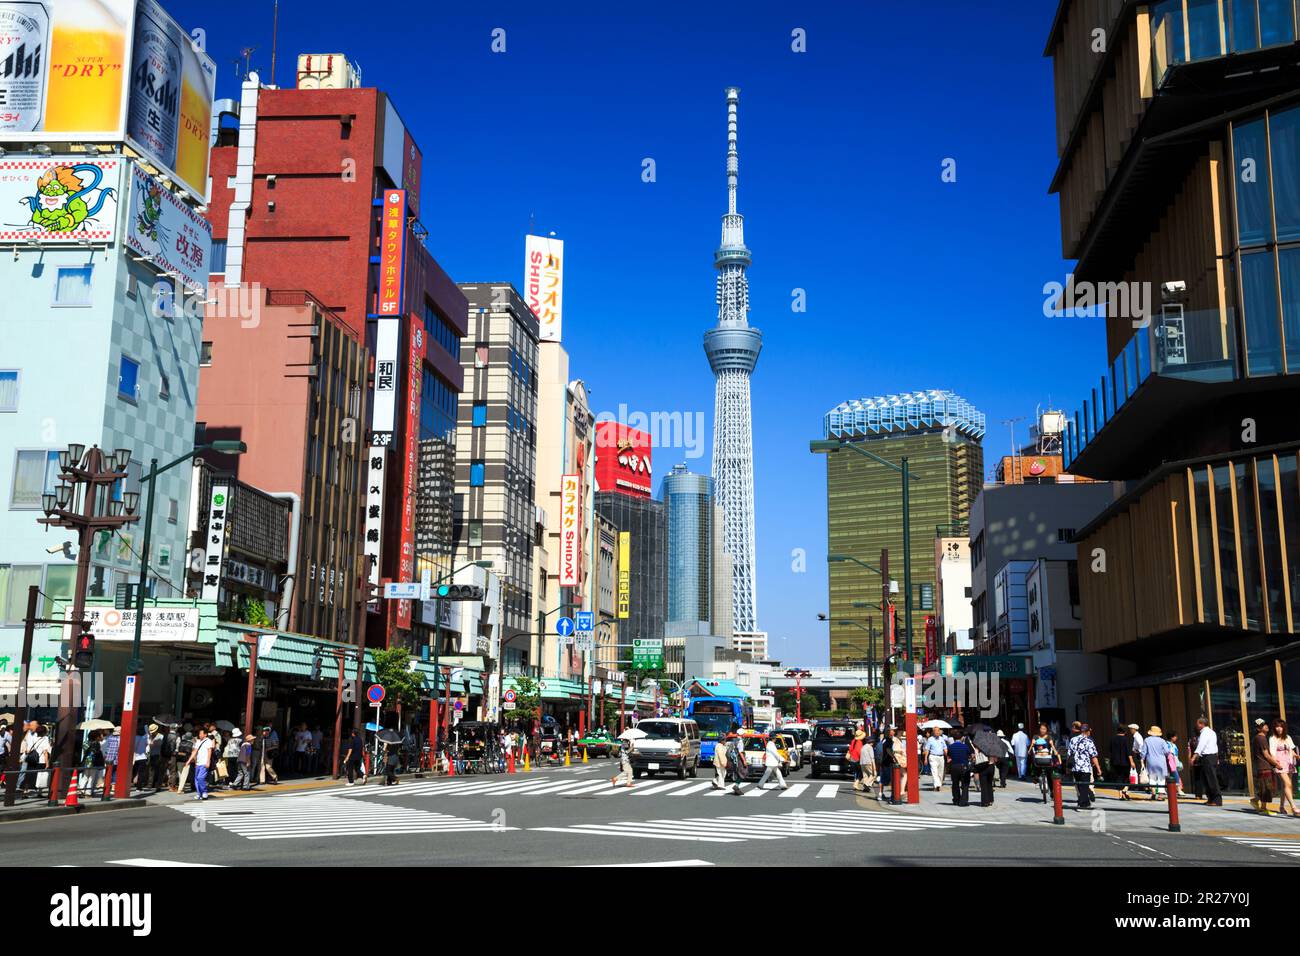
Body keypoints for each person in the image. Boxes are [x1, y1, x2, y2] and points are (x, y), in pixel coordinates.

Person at [1071, 724, 1103, 810]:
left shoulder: (1073, 740)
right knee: (1084, 786)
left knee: (1080, 786)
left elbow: (1069, 754)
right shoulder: (1089, 741)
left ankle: (1086, 803)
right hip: (1085, 768)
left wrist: (1067, 767)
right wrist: (1098, 768)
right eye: (1089, 731)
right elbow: (1094, 756)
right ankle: (1082, 805)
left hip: (1075, 767)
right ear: (1087, 731)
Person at [1270, 719, 1297, 817]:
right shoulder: (1272, 738)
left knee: (1285, 787)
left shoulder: (1288, 737)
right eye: (1277, 726)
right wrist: (1276, 764)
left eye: (1281, 726)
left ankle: (1281, 807)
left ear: (1284, 727)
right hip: (1280, 764)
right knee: (1287, 784)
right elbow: (1272, 753)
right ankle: (1293, 807)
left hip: (1289, 763)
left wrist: (1296, 756)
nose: (1279, 728)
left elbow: (1292, 750)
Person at [1193, 717, 1223, 806]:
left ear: (1202, 724)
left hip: (1208, 757)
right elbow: (1215, 745)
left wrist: (1194, 756)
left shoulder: (1205, 733)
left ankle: (1217, 800)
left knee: (1211, 779)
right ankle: (1211, 798)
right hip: (1211, 756)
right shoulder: (1211, 732)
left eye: (1197, 723)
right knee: (1206, 778)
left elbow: (1202, 745)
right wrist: (1216, 757)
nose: (1196, 725)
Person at [1250, 719, 1277, 813]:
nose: (1266, 726)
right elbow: (1266, 754)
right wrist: (1276, 764)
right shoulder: (1261, 738)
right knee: (1266, 788)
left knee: (1265, 787)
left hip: (1262, 766)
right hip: (1264, 766)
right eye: (1262, 725)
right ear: (1258, 728)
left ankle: (1256, 800)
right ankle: (1263, 808)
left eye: (1265, 724)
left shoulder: (1259, 738)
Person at [1142, 727, 1170, 800]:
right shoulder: (1162, 741)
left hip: (1150, 761)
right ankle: (1160, 795)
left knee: (1152, 777)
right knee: (1161, 778)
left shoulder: (1146, 740)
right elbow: (1167, 751)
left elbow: (1144, 752)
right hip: (1161, 761)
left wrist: (1142, 760)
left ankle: (1153, 793)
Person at [947, 729, 972, 807]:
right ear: (961, 738)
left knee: (955, 784)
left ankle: (956, 799)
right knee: (965, 784)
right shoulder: (965, 746)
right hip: (963, 766)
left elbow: (949, 756)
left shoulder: (950, 747)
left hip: (954, 766)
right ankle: (963, 801)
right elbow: (970, 755)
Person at [187, 728, 214, 801]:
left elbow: (209, 752)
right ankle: (199, 794)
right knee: (196, 779)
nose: (199, 735)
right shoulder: (198, 741)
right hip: (198, 763)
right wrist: (189, 760)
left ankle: (204, 792)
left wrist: (208, 761)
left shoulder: (208, 741)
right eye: (199, 734)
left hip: (204, 763)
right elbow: (194, 752)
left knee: (200, 778)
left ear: (205, 734)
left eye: (201, 734)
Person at [1108, 725, 1132, 792]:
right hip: (1125, 762)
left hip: (1115, 761)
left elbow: (1110, 750)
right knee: (1125, 777)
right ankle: (1123, 792)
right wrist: (1132, 762)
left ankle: (1120, 794)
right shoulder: (1126, 739)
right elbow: (1128, 752)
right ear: (1125, 731)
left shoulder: (1112, 739)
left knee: (1118, 777)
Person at [891, 727, 909, 799]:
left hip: (898, 759)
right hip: (898, 759)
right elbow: (895, 750)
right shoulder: (896, 740)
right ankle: (901, 791)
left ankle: (900, 791)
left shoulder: (897, 740)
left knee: (902, 775)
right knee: (904, 775)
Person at [858, 729, 877, 796]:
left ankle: (866, 788)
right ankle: (867, 784)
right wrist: (874, 767)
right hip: (868, 762)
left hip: (862, 762)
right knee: (873, 774)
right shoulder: (870, 747)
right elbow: (872, 758)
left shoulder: (863, 747)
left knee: (865, 775)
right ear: (871, 742)